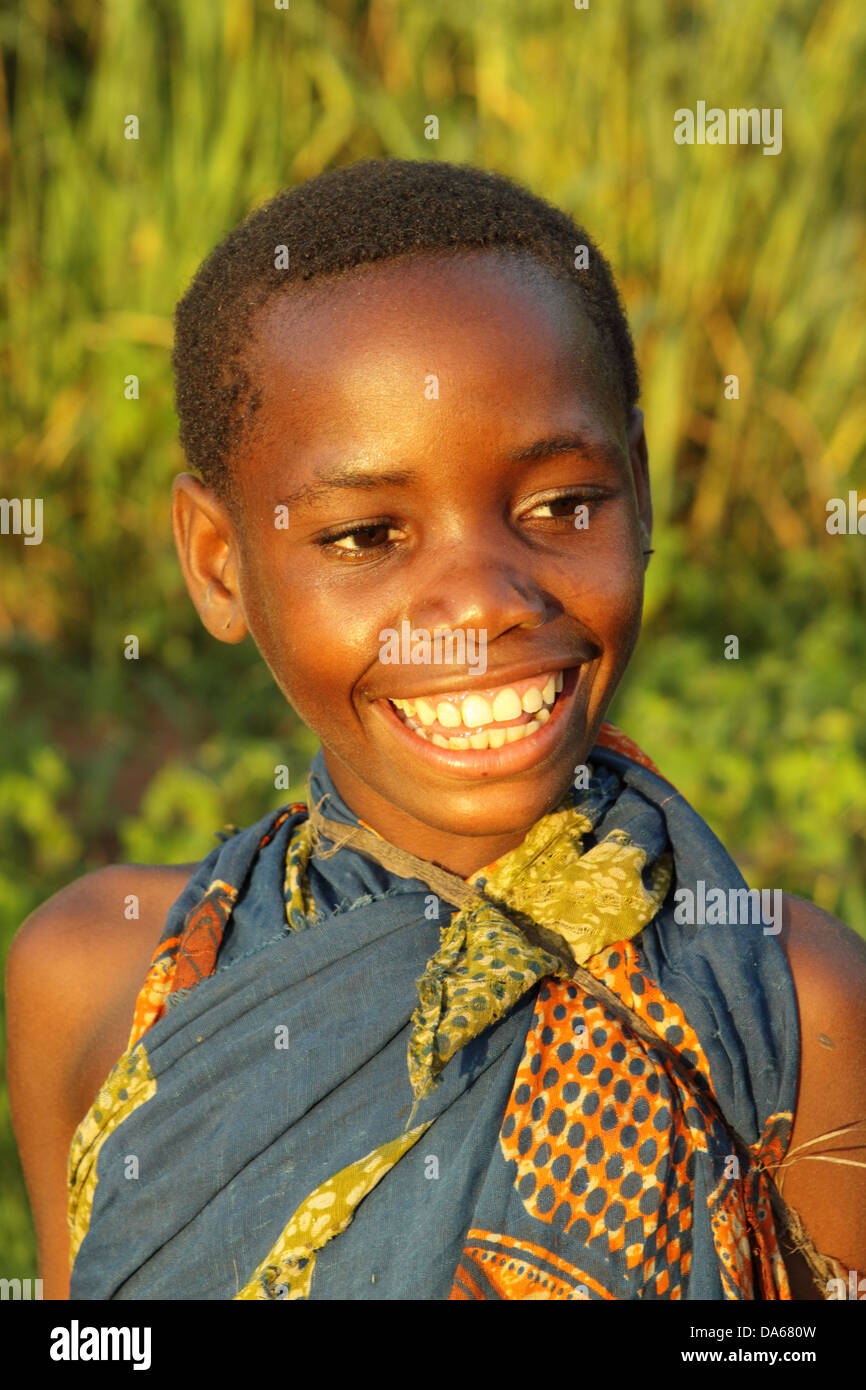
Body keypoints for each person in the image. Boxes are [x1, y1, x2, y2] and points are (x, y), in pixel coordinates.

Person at [7, 159, 866, 1301]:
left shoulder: (788, 1006)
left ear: (640, 492)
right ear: (220, 564)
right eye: (366, 534)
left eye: (561, 506)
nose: (484, 601)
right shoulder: (93, 977)